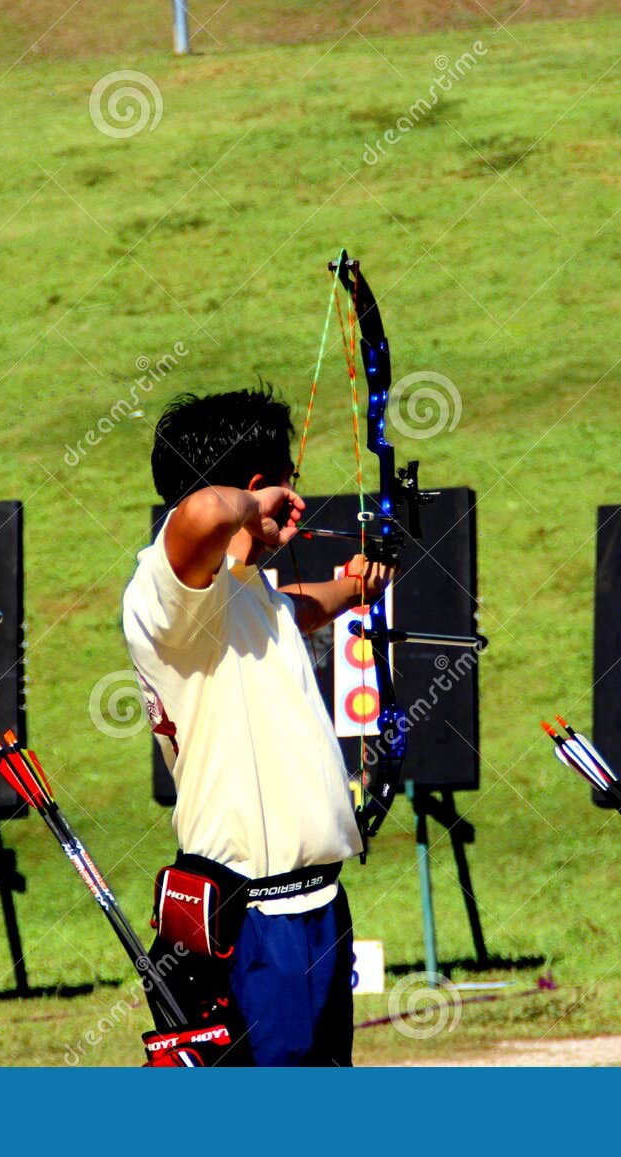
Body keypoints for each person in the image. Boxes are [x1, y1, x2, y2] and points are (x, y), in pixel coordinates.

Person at [122, 386, 391, 1066]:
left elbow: (292, 609)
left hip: (313, 910)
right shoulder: (165, 595)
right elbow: (207, 510)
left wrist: (356, 589)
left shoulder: (242, 592)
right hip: (253, 919)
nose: (291, 505)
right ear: (252, 488)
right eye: (283, 487)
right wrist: (254, 502)